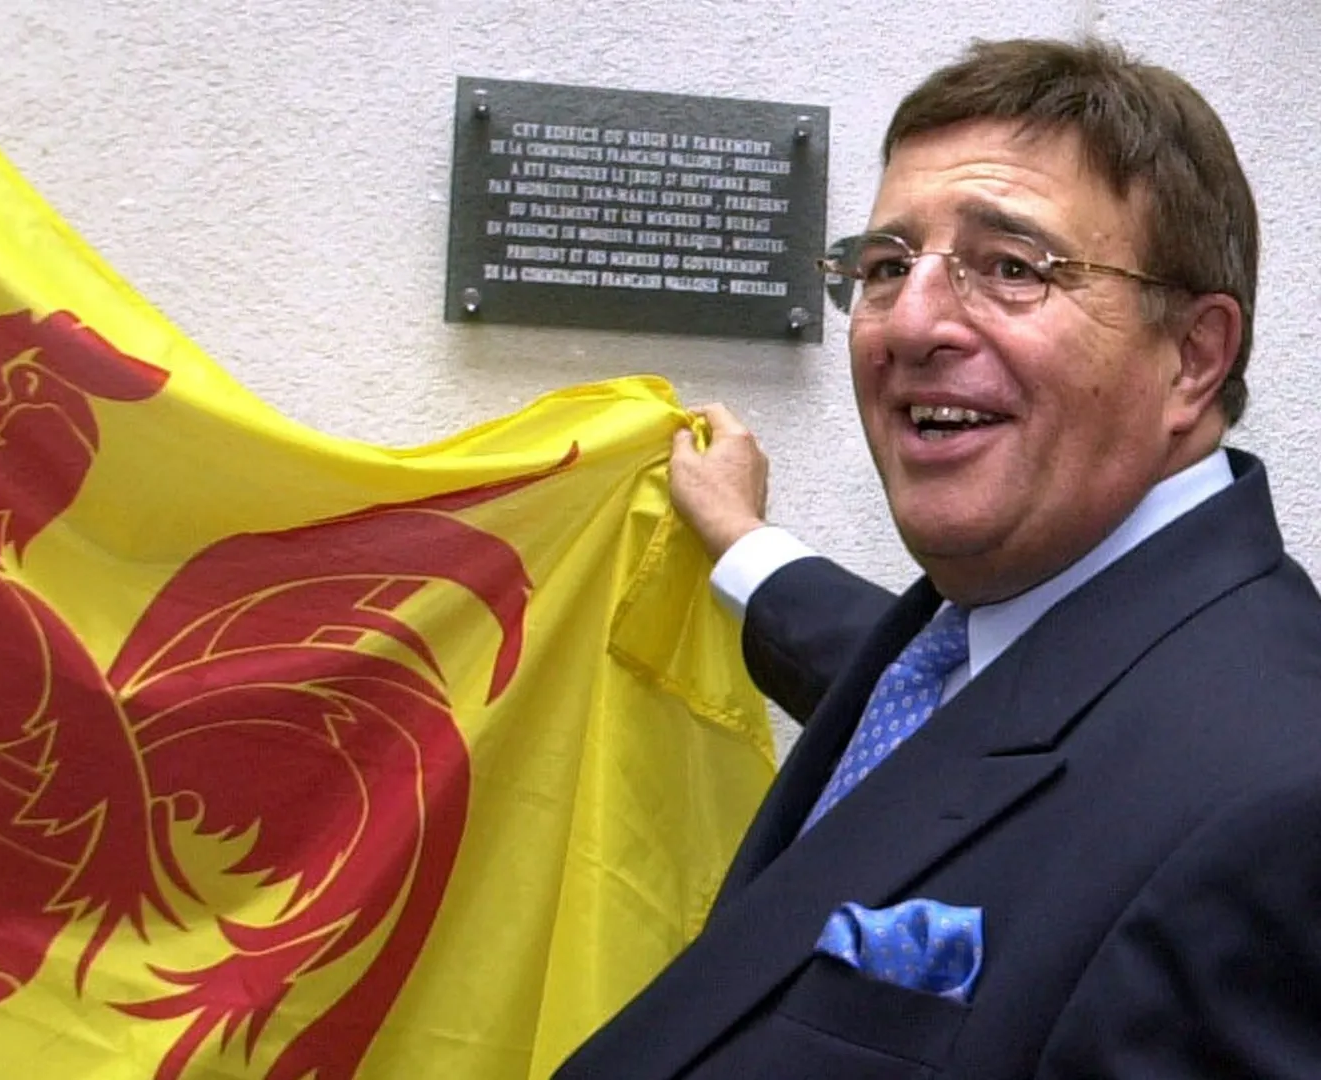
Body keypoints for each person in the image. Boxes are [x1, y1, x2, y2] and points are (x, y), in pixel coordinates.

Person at [555, 37, 1321, 1079]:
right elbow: (934, 700)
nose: (908, 323)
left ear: (1192, 357)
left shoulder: (1281, 802)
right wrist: (740, 541)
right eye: (883, 267)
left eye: (1011, 267)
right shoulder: (976, 640)